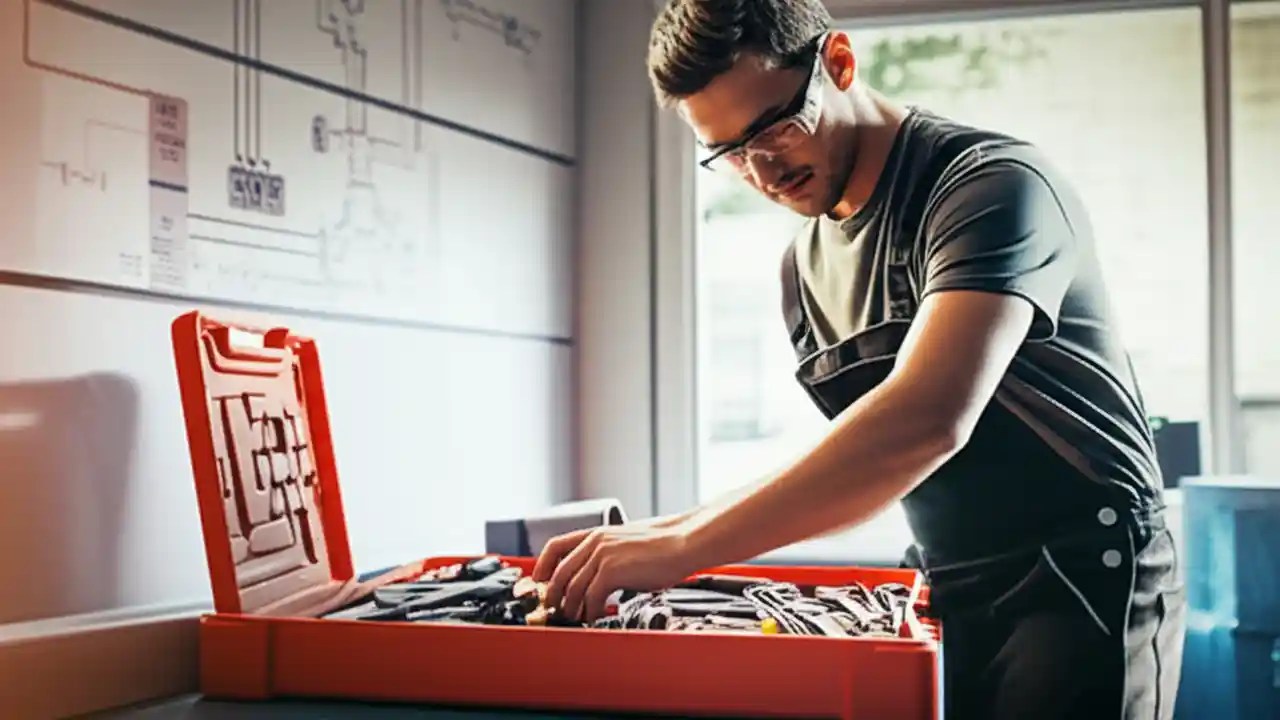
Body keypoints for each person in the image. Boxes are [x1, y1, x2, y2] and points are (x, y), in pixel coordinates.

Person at [533, 1, 1186, 717]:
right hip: (944, 579)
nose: (762, 170)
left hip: (1082, 575)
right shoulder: (802, 268)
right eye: (729, 152)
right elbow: (857, 457)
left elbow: (925, 420)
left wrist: (684, 545)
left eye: (773, 128)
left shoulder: (991, 188)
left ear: (838, 63)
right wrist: (652, 535)